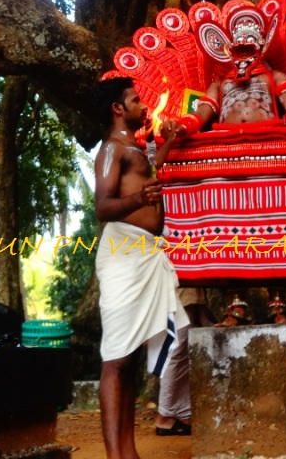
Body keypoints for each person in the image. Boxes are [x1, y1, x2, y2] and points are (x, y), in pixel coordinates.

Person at [93, 77, 189, 458]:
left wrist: (169, 144)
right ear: (118, 108)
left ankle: (129, 452)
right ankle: (117, 455)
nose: (142, 105)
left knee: (129, 358)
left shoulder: (136, 148)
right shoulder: (111, 150)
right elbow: (102, 207)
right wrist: (138, 197)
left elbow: (146, 176)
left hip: (147, 254)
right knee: (116, 357)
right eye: (135, 100)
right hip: (123, 253)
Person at [168, 6, 286, 136]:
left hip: (267, 135)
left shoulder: (275, 76)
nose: (243, 43)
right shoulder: (219, 83)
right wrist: (185, 126)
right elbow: (203, 111)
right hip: (225, 138)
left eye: (249, 40)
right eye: (239, 41)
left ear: (263, 45)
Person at [154, 288, 214, 436]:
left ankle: (180, 412)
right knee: (178, 349)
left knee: (185, 348)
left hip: (187, 290)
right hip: (177, 290)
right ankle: (165, 415)